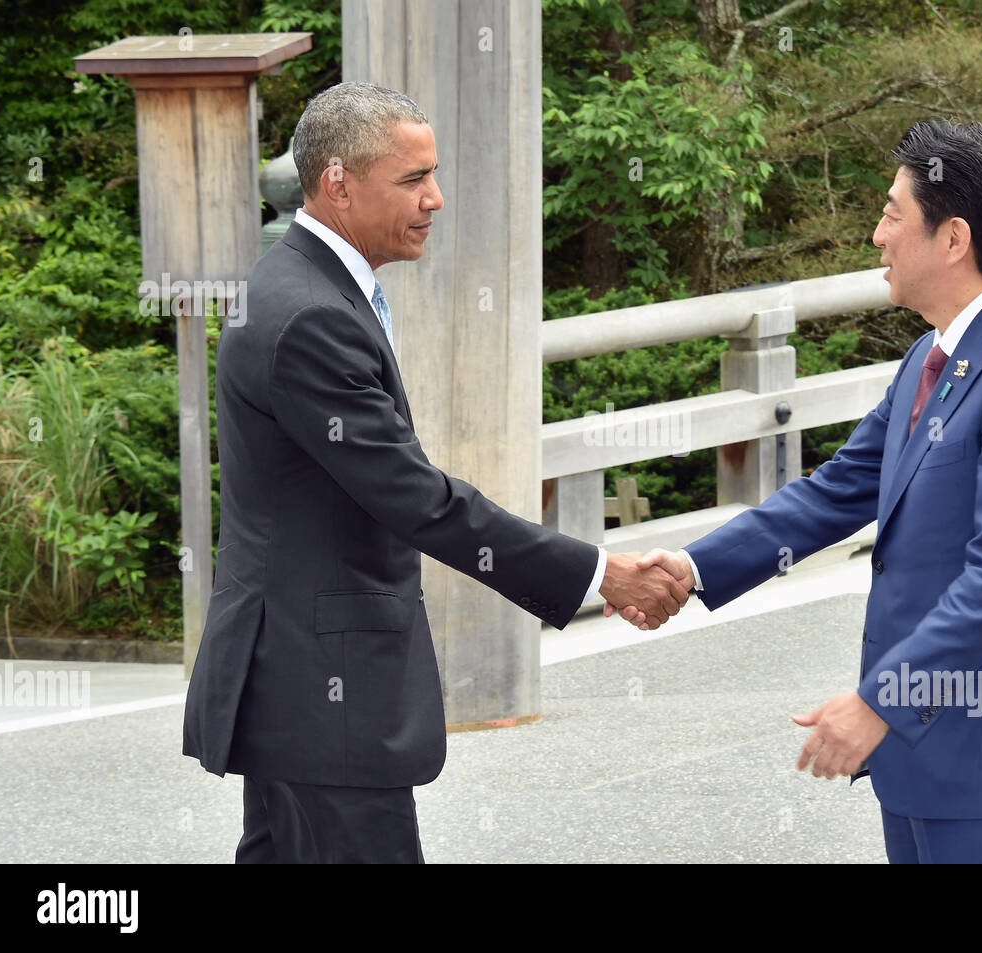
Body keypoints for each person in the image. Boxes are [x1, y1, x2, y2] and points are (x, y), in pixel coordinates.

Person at [182, 82, 688, 864]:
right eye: (413, 179)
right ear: (339, 181)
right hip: (322, 690)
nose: (436, 199)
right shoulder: (311, 313)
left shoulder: (296, 284)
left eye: (435, 174)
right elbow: (416, 498)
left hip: (296, 685)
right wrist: (596, 573)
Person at [620, 119, 982, 864]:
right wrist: (694, 568)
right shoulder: (930, 355)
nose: (877, 235)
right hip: (915, 760)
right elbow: (837, 490)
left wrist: (883, 699)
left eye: (891, 213)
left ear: (953, 239)